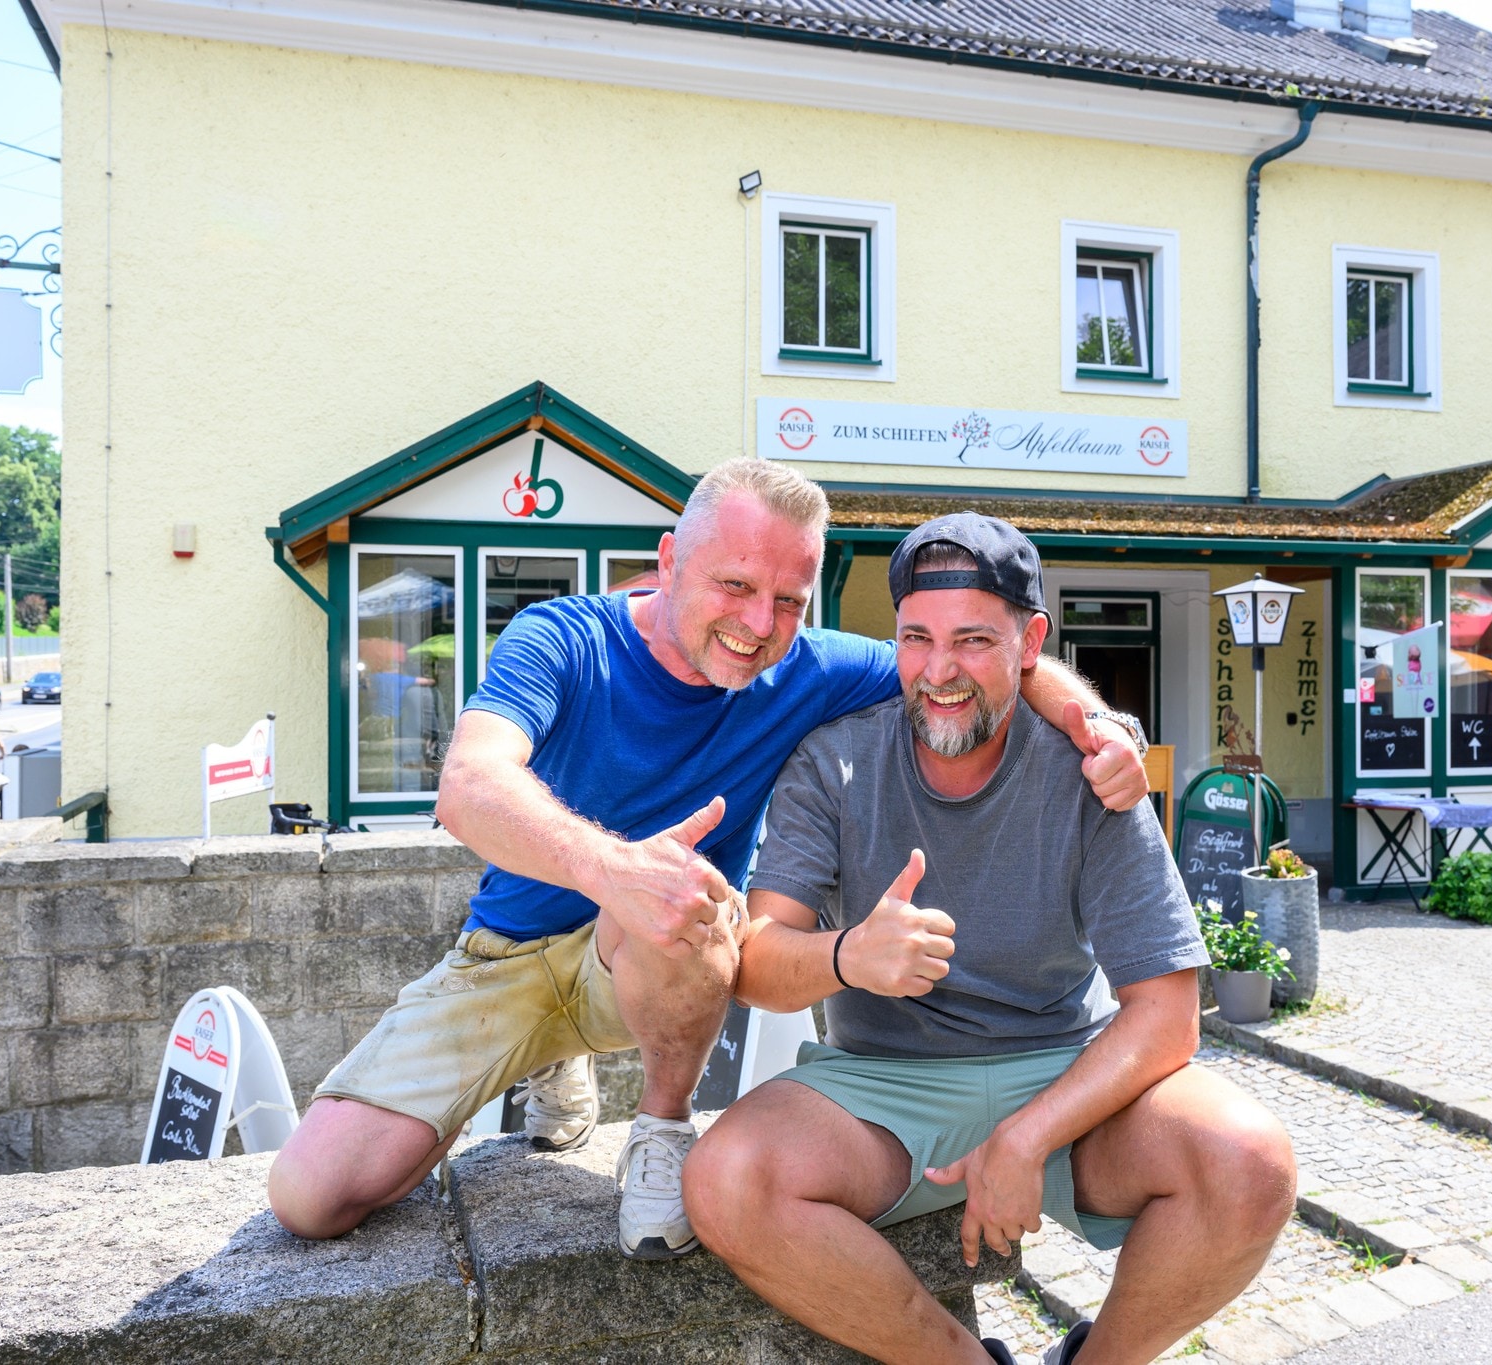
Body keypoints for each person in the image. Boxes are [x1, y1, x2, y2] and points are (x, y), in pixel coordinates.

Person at [266, 461, 1152, 1260]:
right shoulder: (561, 638)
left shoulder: (810, 665)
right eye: (734, 584)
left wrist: (1089, 721)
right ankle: (547, 1057)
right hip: (510, 952)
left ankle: (658, 1128)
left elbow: (964, 656)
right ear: (669, 559)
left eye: (789, 600)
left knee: (684, 899)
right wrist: (612, 868)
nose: (758, 625)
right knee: (314, 1197)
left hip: (667, 957)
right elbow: (467, 784)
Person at [681, 512, 1296, 1365]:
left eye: (973, 639)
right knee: (724, 1180)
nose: (939, 671)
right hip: (880, 1086)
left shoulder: (1090, 769)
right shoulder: (833, 761)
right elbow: (754, 962)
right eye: (916, 638)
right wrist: (847, 954)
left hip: (1064, 1067)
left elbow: (1166, 1016)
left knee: (1250, 1160)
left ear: (1030, 640)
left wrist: (1025, 1136)